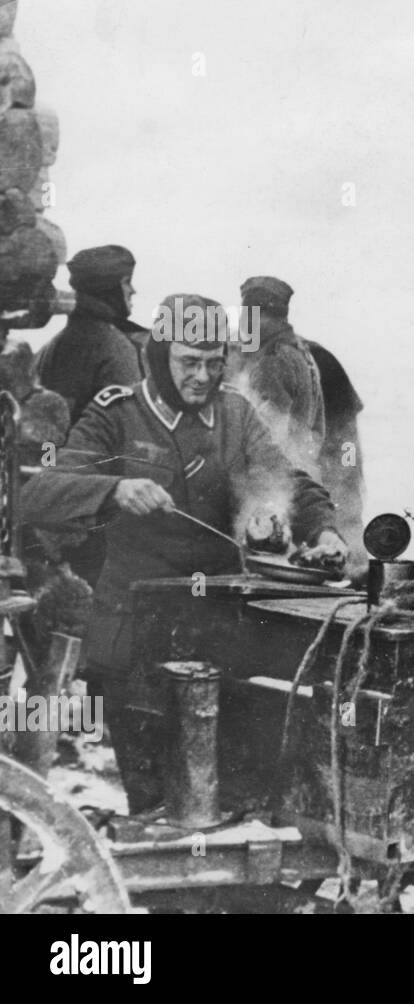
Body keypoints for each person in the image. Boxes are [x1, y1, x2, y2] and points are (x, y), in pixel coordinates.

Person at [21, 293, 347, 813]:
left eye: (215, 363)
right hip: (135, 638)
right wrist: (113, 489)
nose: (202, 376)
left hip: (219, 631)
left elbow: (287, 479)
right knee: (157, 801)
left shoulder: (235, 416)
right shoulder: (117, 414)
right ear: (158, 357)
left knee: (233, 792)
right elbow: (39, 493)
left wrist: (324, 531)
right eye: (189, 362)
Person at [35, 244, 148, 424]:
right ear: (109, 289)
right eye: (126, 282)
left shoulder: (49, 348)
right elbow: (128, 427)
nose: (132, 290)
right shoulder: (117, 347)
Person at [227, 276, 327, 476]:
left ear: (261, 316)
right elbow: (318, 430)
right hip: (301, 471)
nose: (242, 322)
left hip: (276, 479)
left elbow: (267, 436)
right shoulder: (300, 352)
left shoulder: (272, 361)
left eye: (247, 314)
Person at [301, 336, 366, 571]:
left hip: (338, 447)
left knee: (344, 498)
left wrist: (345, 468)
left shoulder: (322, 361)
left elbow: (346, 441)